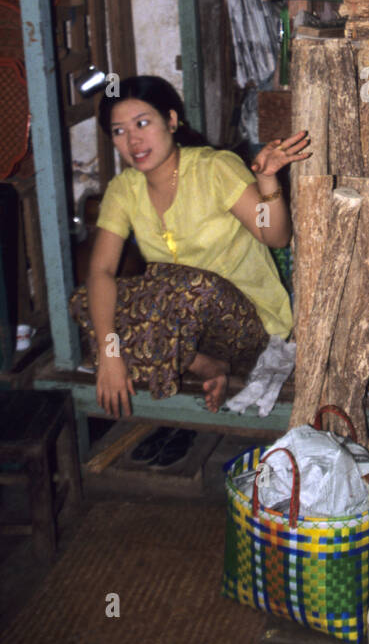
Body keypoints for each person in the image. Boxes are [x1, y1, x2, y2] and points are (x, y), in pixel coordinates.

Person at [69, 75, 310, 422]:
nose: (133, 139)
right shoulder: (124, 189)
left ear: (170, 120)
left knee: (191, 287)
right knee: (85, 300)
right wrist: (109, 354)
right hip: (181, 327)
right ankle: (202, 364)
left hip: (247, 327)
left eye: (142, 123)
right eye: (119, 131)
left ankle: (172, 358)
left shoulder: (214, 168)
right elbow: (101, 271)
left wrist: (268, 180)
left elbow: (275, 237)